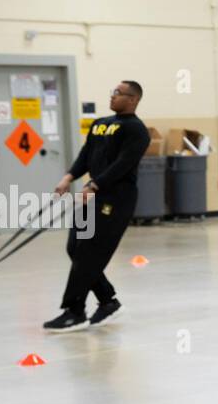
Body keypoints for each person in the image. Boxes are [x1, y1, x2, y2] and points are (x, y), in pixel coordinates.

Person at [44, 80, 149, 331]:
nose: (112, 97)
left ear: (133, 99)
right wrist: (68, 177)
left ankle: (75, 311)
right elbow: (86, 155)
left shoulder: (136, 130)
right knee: (75, 248)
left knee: (89, 251)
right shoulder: (100, 124)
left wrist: (96, 184)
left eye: (118, 93)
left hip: (115, 199)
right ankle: (107, 301)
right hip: (93, 194)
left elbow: (123, 164)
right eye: (112, 92)